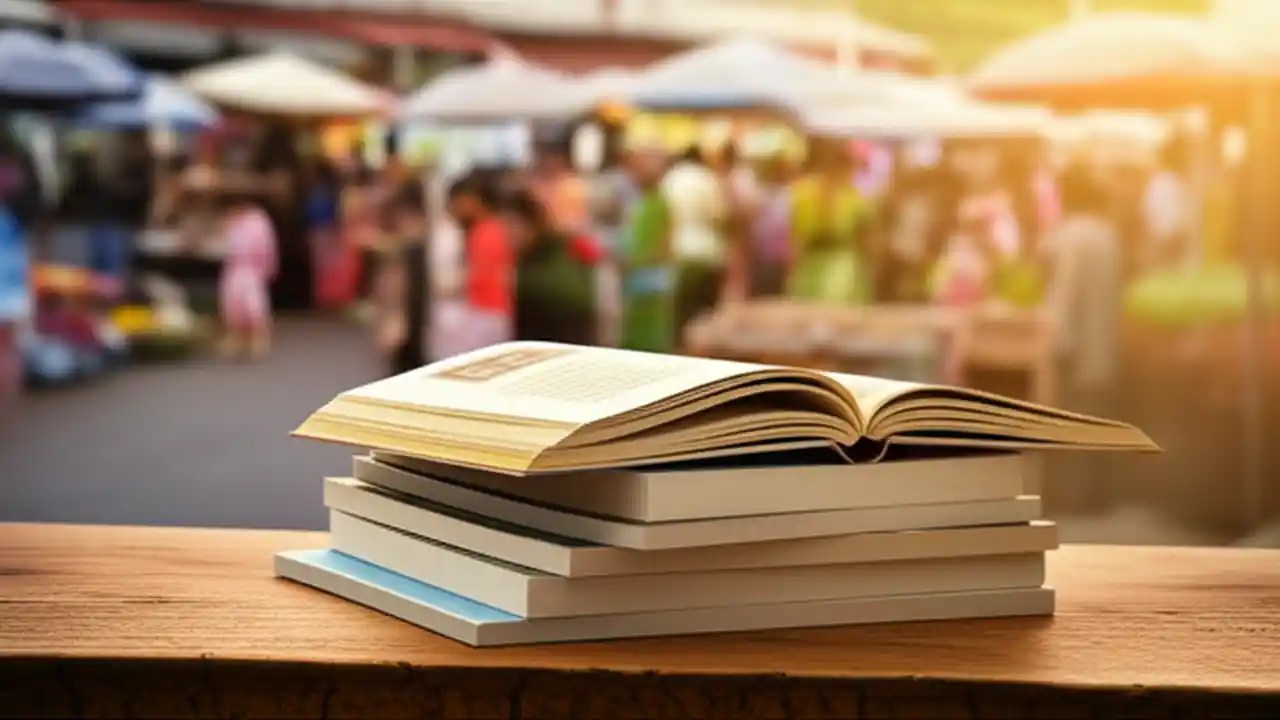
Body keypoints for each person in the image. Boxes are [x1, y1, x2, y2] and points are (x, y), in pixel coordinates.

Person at [787, 140, 873, 305]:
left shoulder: (854, 195)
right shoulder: (804, 192)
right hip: (820, 263)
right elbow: (797, 236)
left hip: (838, 263)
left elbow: (863, 236)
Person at [507, 190, 598, 345]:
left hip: (563, 339)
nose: (508, 235)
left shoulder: (559, 247)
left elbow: (569, 295)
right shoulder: (523, 256)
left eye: (513, 227)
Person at [662, 146, 727, 336]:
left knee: (681, 311)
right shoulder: (709, 179)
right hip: (708, 253)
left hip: (680, 251)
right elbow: (719, 215)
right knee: (706, 313)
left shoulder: (670, 179)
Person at [447, 174, 512, 353]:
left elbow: (480, 273)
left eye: (458, 202)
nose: (455, 208)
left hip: (489, 312)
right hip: (481, 310)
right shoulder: (480, 230)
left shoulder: (489, 231)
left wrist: (452, 285)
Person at [619, 148, 675, 353]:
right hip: (640, 275)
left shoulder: (657, 202)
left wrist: (638, 259)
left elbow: (664, 240)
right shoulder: (643, 201)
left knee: (649, 333)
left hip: (650, 276)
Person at [372, 178, 430, 375]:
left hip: (411, 322)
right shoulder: (418, 245)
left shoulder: (407, 249)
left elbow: (396, 286)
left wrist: (394, 318)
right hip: (418, 324)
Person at [217, 191, 278, 360]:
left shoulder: (258, 222)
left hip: (252, 268)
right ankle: (236, 338)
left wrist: (267, 269)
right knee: (232, 304)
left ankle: (259, 339)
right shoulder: (231, 222)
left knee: (253, 305)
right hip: (234, 267)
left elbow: (267, 248)